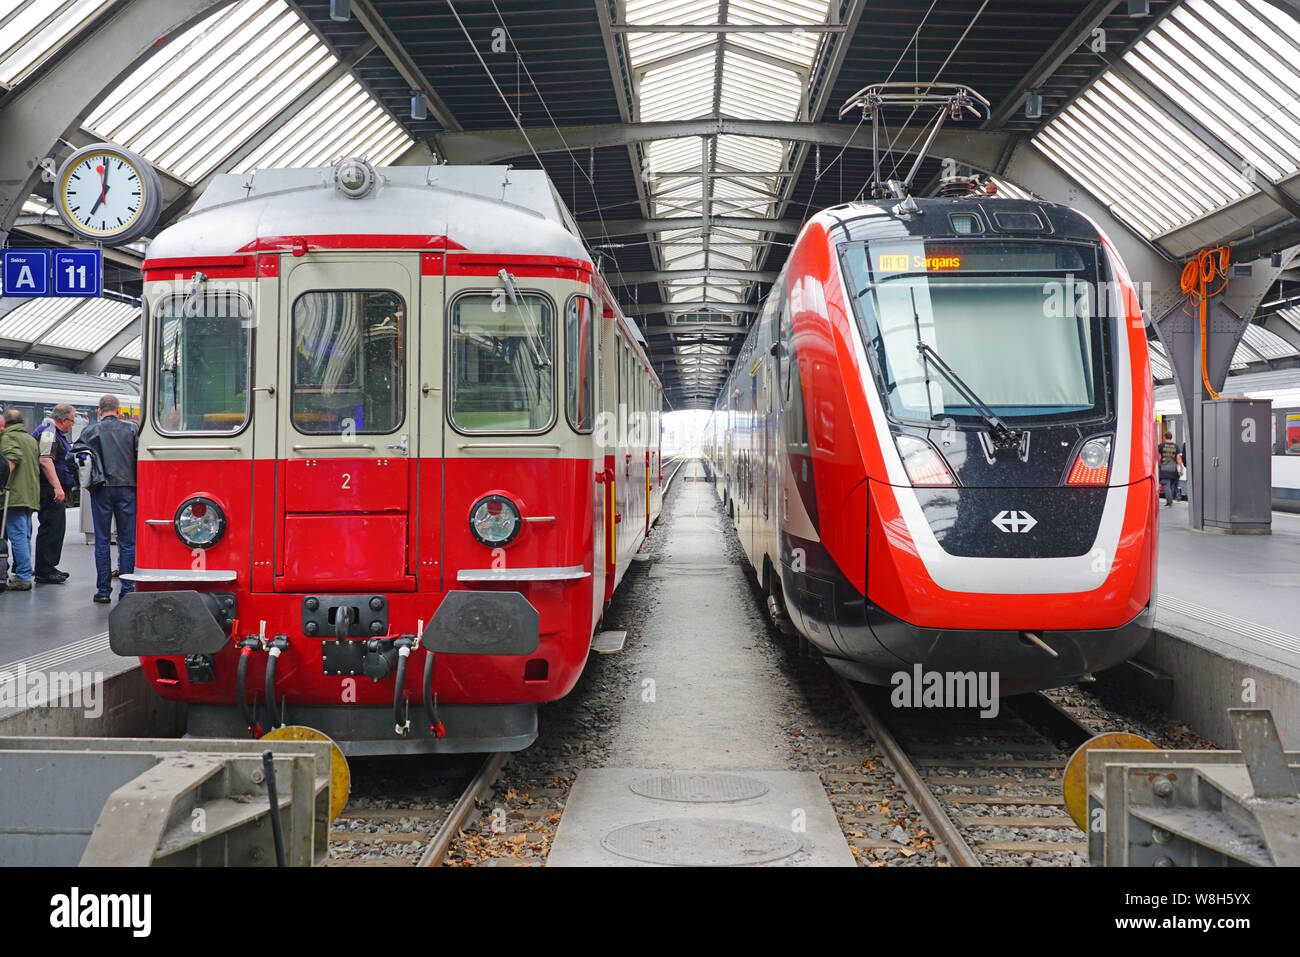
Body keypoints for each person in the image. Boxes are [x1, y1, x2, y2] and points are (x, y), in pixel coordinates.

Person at [79, 395, 138, 603]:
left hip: (101, 489)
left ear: (99, 411)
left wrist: (86, 481)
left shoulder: (89, 431)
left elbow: (74, 458)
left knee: (102, 541)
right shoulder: (132, 429)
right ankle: (127, 588)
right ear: (119, 410)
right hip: (128, 489)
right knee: (128, 541)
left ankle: (103, 591)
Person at [32, 404, 76, 584]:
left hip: (51, 489)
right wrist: (57, 487)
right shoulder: (49, 431)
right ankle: (44, 570)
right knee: (51, 528)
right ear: (64, 420)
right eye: (72, 421)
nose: (72, 425)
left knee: (55, 528)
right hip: (49, 490)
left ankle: (48, 566)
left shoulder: (53, 432)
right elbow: (45, 460)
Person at [1, 408, 41, 590]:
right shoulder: (31, 439)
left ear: (6, 424)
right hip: (29, 494)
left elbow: (12, 458)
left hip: (14, 495)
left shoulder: (9, 438)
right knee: (24, 536)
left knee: (17, 536)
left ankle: (23, 576)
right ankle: (24, 572)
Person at [1157, 430, 1183, 508]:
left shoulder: (1161, 445)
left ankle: (1169, 502)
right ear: (1171, 437)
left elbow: (1158, 457)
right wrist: (1181, 468)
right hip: (1173, 469)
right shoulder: (1175, 446)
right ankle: (1170, 500)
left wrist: (1157, 466)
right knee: (1170, 486)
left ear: (1165, 437)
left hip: (1164, 468)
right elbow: (1178, 458)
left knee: (1166, 485)